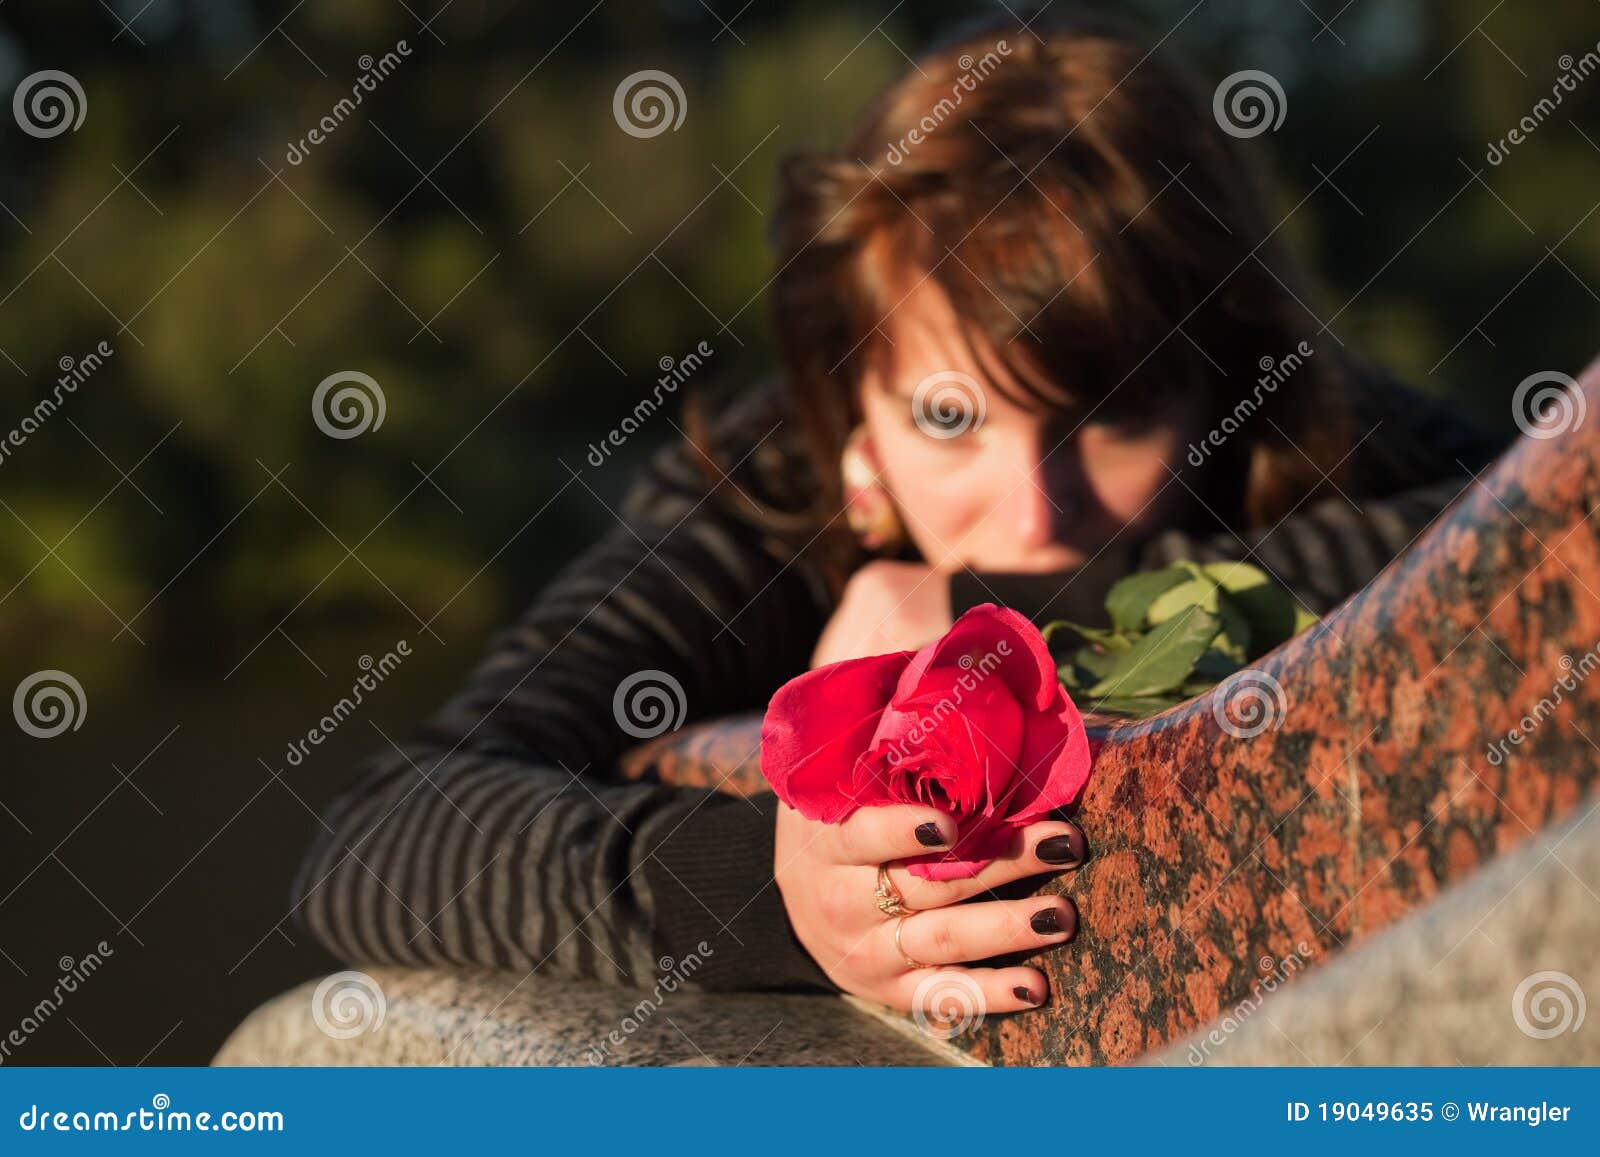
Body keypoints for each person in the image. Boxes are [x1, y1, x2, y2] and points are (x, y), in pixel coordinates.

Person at [292, 13, 1511, 1018]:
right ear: (851, 403)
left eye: (1115, 416)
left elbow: (1534, 527)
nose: (1032, 506)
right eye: (947, 417)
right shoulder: (769, 499)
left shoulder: (1306, 423)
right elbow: (382, 830)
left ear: (1219, 390)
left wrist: (993, 615)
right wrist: (778, 891)